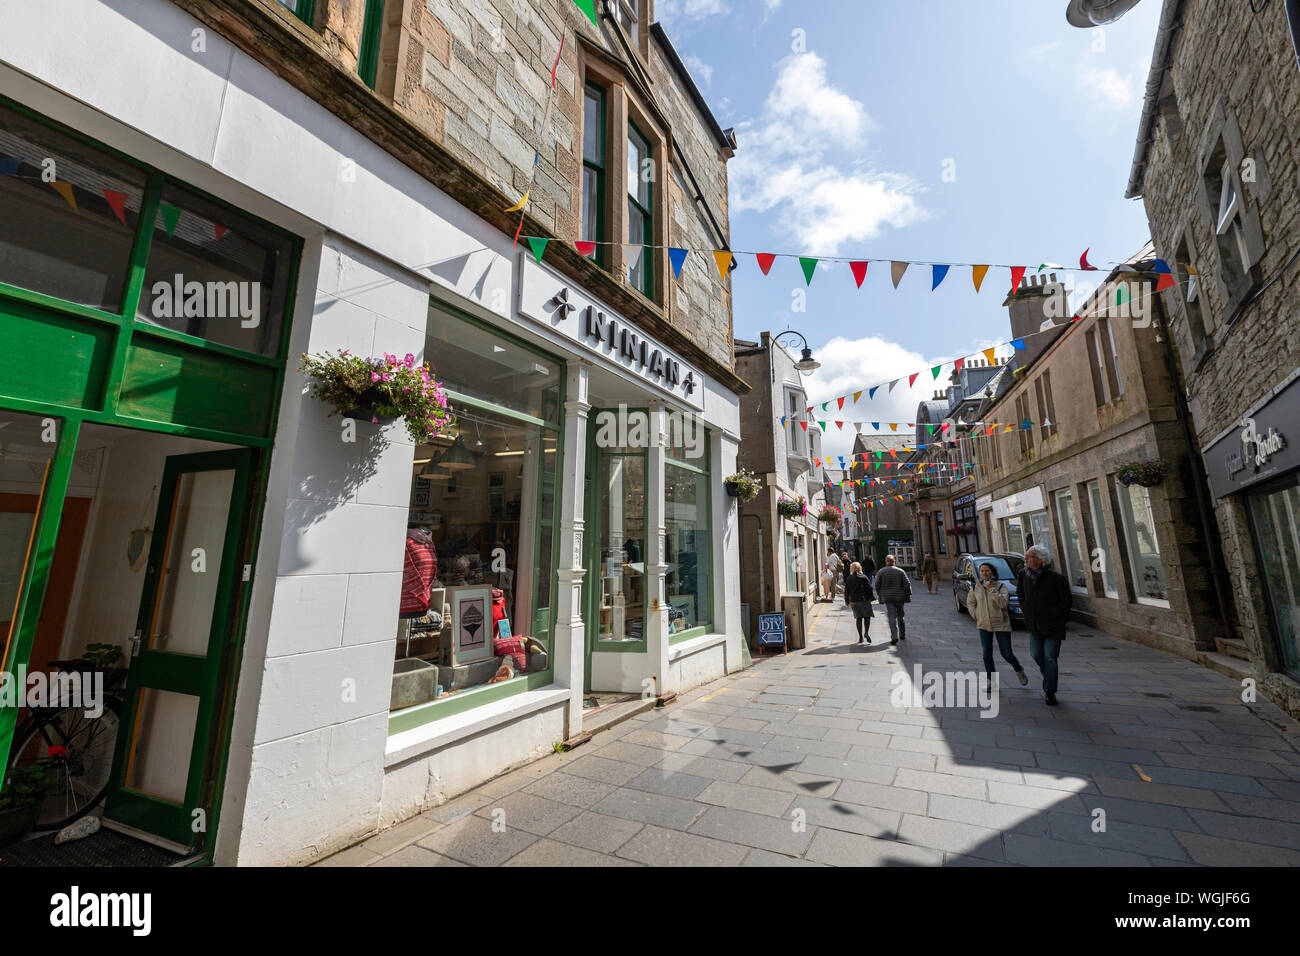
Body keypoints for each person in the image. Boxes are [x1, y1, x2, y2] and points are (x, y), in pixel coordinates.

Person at [1016, 544, 1072, 705]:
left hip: (1053, 626)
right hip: (1034, 625)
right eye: (1026, 555)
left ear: (1040, 561)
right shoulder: (1023, 575)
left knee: (1050, 658)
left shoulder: (1056, 579)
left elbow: (1066, 601)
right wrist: (1026, 610)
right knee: (1036, 655)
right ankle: (1048, 676)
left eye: (1029, 556)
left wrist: (1057, 616)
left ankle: (1050, 691)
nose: (1025, 558)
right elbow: (1020, 593)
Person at [966, 560, 1029, 693]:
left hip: (1001, 624)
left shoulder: (1001, 586)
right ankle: (991, 682)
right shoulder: (976, 587)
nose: (984, 573)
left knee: (1006, 653)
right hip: (983, 624)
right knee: (986, 654)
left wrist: (991, 589)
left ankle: (1019, 670)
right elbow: (971, 602)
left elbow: (1002, 603)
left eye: (987, 571)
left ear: (993, 572)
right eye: (982, 571)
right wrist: (975, 615)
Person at [873, 554, 912, 645]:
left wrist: (880, 594)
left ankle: (894, 636)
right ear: (894, 561)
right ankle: (902, 634)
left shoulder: (881, 571)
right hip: (900, 597)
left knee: (891, 616)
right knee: (900, 615)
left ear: (886, 562)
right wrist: (908, 594)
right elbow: (907, 584)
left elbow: (877, 585)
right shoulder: (900, 571)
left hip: (888, 597)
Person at [844, 561, 874, 644]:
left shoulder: (849, 578)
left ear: (851, 569)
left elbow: (846, 591)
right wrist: (870, 597)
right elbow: (869, 589)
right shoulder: (864, 577)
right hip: (864, 600)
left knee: (858, 619)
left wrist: (847, 601)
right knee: (867, 617)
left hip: (854, 601)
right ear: (859, 568)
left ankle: (860, 636)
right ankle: (866, 633)